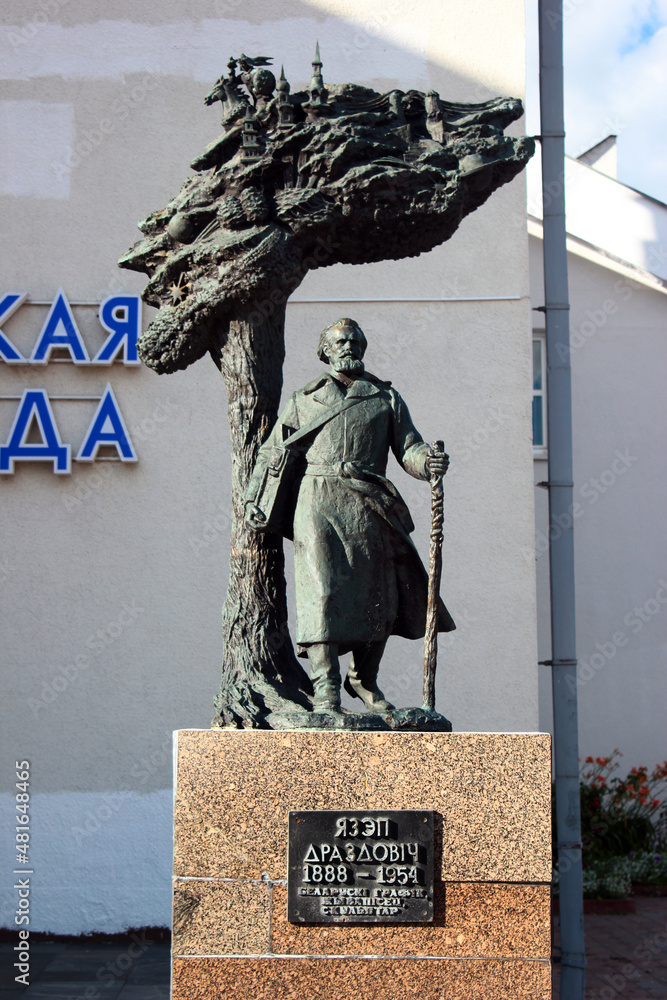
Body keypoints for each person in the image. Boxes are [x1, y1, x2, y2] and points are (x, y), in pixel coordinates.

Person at [245, 317, 455, 712]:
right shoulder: (304, 398)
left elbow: (408, 447)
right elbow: (273, 452)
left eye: (356, 341)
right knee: (321, 590)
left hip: (368, 500)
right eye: (340, 342)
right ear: (325, 350)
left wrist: (428, 462)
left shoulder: (384, 397)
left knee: (380, 591)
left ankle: (364, 679)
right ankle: (326, 688)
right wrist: (256, 497)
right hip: (317, 501)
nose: (349, 347)